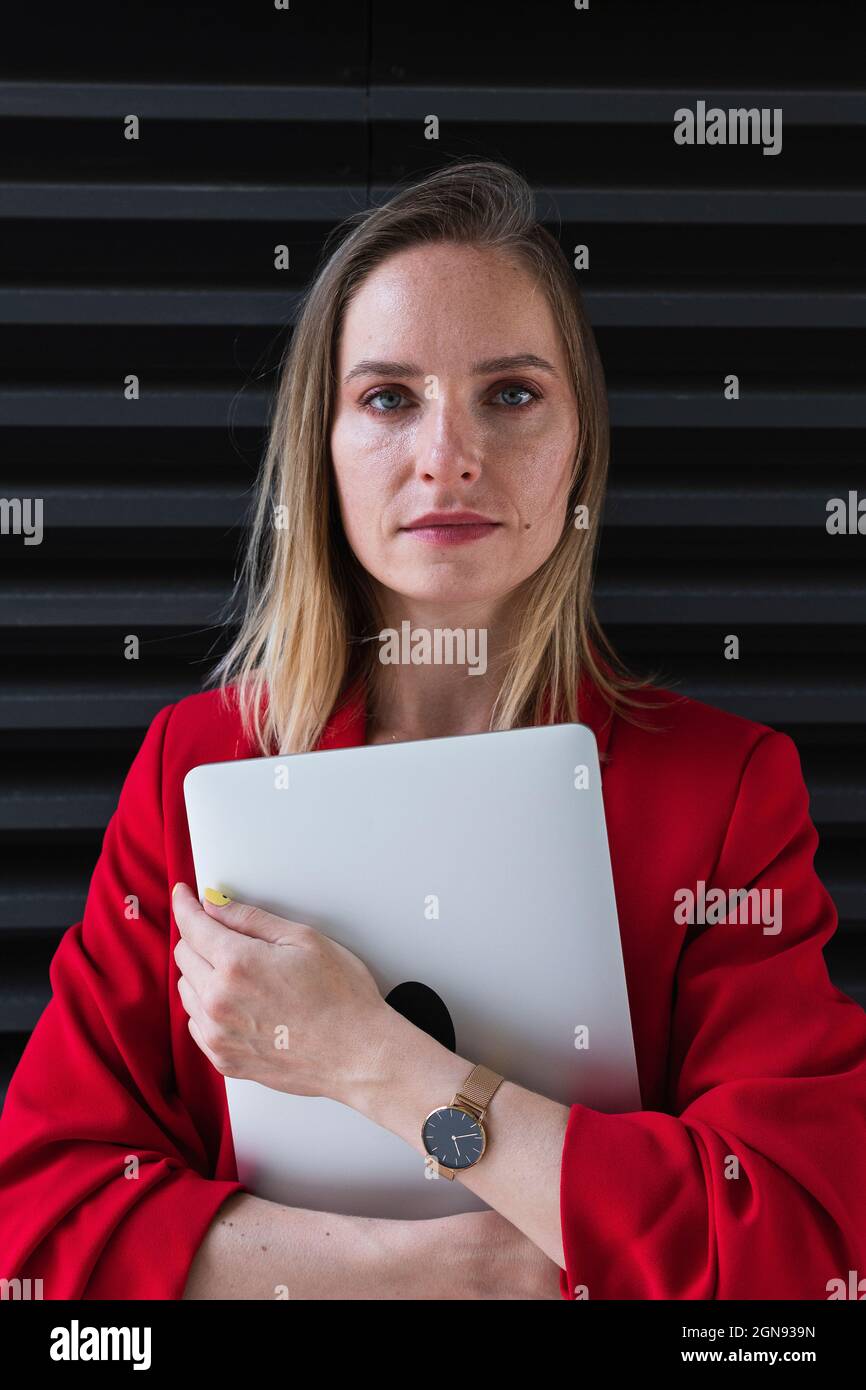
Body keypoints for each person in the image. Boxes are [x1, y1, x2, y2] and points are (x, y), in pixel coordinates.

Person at [1, 160, 864, 1301]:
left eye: (509, 392)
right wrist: (459, 1271)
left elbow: (799, 1248)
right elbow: (42, 1229)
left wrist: (371, 1059)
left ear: (578, 451)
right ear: (323, 449)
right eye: (387, 396)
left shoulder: (723, 791)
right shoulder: (198, 765)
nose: (446, 454)